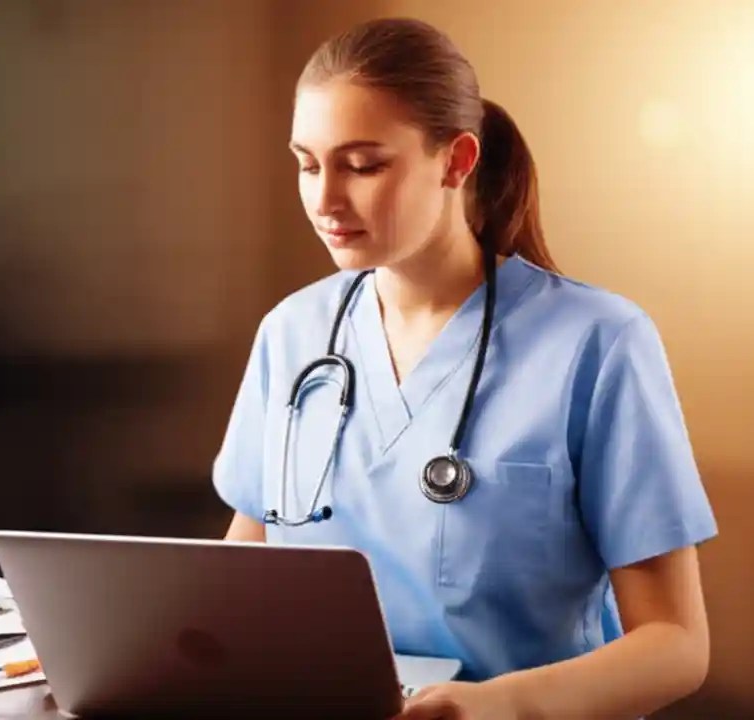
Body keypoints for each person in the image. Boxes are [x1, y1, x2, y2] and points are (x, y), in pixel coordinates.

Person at [211, 16, 718, 720]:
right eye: (306, 163)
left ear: (455, 162)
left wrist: (497, 707)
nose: (325, 200)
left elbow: (675, 645)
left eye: (363, 166)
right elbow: (240, 580)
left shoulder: (598, 343)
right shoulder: (293, 335)